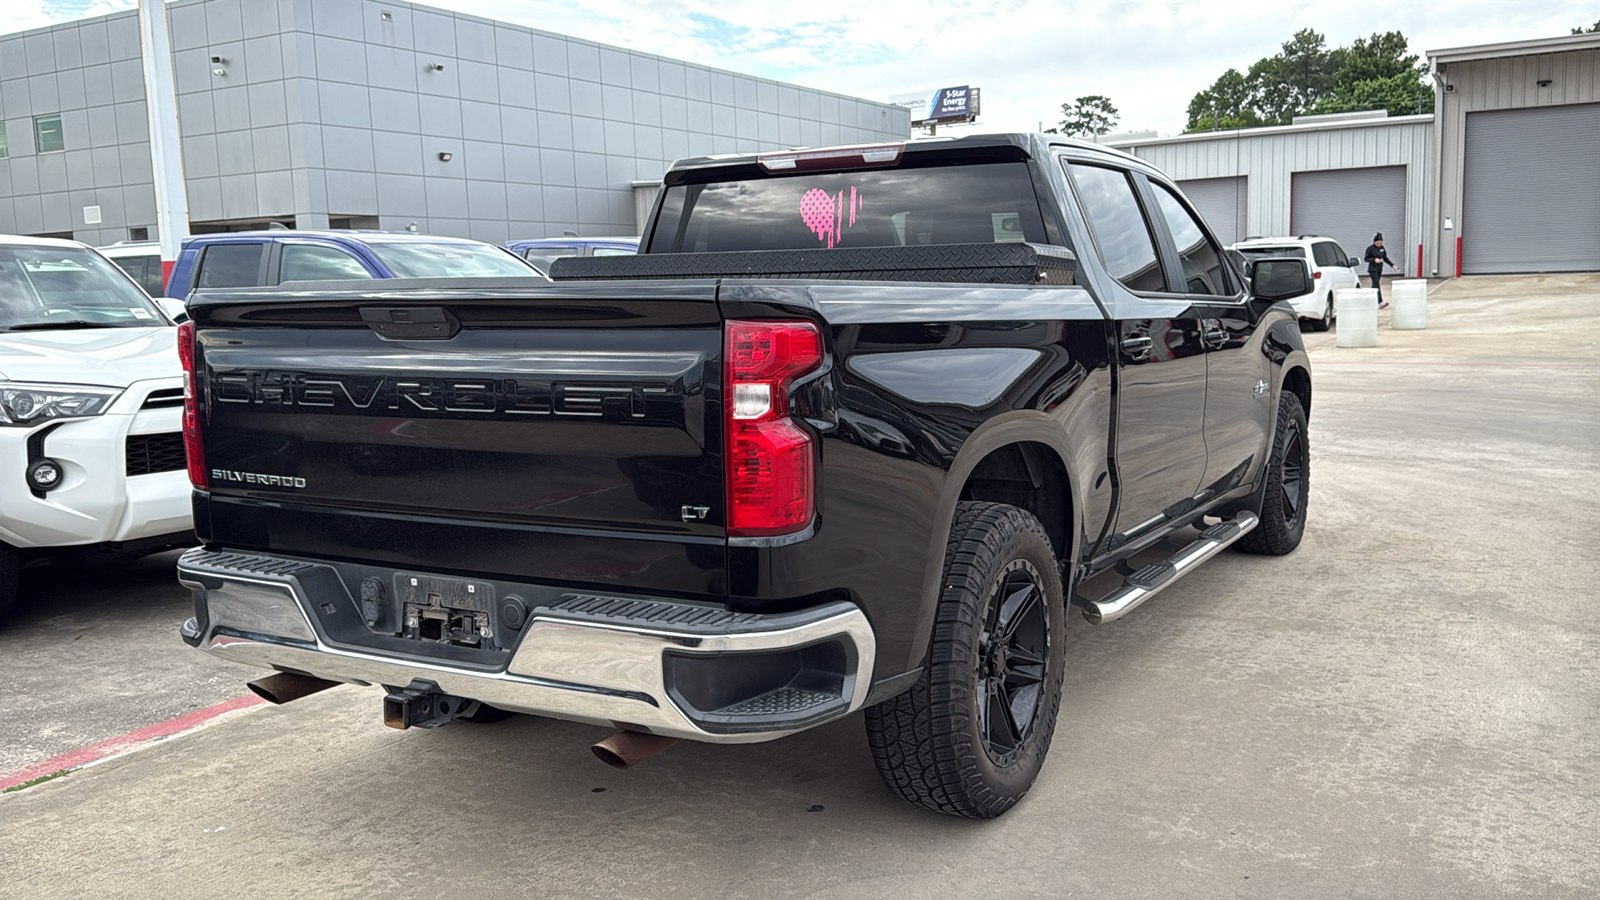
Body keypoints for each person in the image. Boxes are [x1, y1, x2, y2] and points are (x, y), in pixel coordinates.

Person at [1364, 233, 1398, 309]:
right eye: (1377, 243)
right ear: (1374, 242)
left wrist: (1392, 265)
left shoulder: (1382, 248)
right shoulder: (1370, 249)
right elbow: (1366, 258)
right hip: (1372, 269)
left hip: (1379, 268)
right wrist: (1374, 260)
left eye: (1380, 243)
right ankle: (1380, 301)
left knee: (1374, 285)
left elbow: (1385, 258)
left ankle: (1370, 299)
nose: (1378, 244)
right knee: (1376, 283)